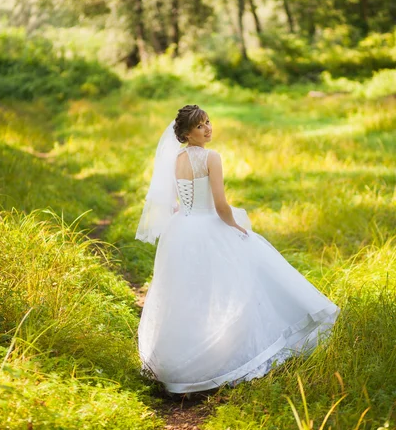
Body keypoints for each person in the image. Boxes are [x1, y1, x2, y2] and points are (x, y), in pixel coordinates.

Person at [135, 104, 340, 394]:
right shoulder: (211, 158)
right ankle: (227, 357)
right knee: (232, 285)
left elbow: (175, 203)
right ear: (186, 134)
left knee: (186, 294)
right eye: (199, 126)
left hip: (181, 230)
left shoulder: (175, 159)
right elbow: (220, 206)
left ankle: (178, 365)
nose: (207, 129)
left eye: (208, 122)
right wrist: (237, 227)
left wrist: (187, 217)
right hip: (208, 225)